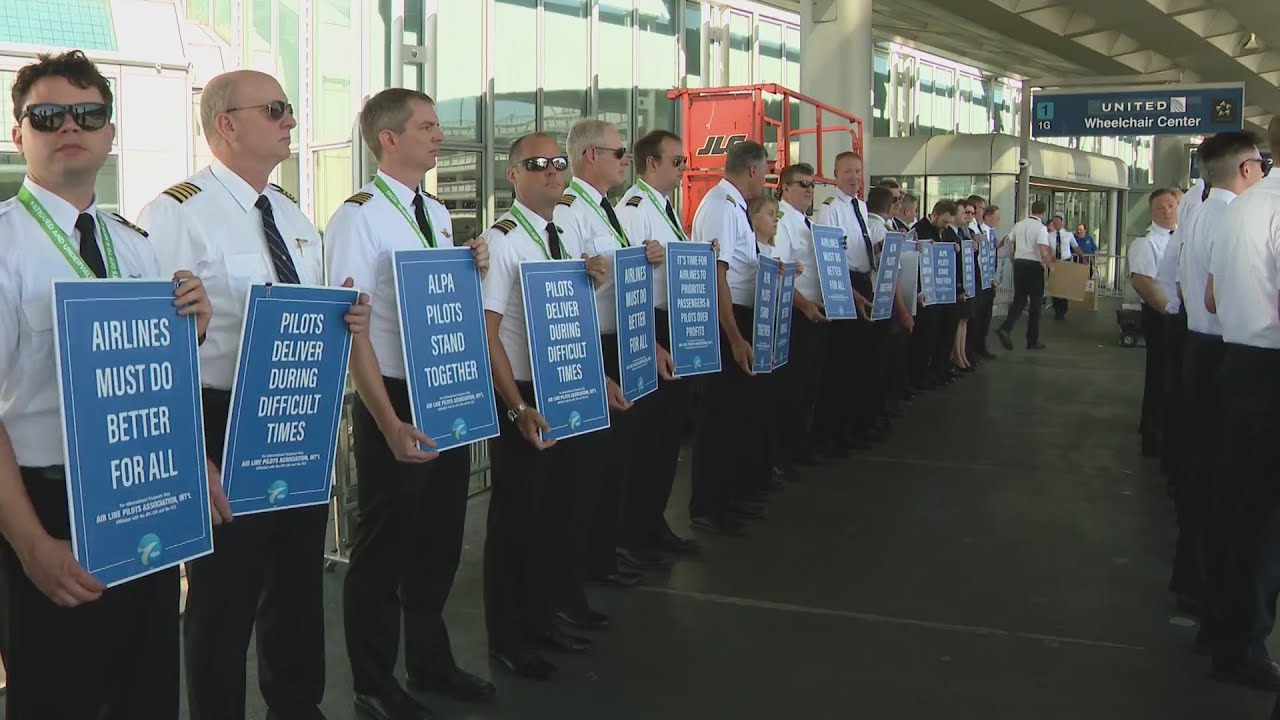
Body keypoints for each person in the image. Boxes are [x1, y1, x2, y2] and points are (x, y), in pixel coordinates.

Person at [139, 69, 371, 720]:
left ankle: (297, 705)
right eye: (275, 109)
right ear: (226, 124)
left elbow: (308, 309)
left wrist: (343, 315)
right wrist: (190, 448)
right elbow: (158, 340)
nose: (290, 120)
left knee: (297, 579)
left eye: (288, 108)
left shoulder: (292, 215)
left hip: (295, 411)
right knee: (223, 596)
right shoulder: (177, 213)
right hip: (220, 414)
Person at [0, 49, 212, 720]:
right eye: (47, 116)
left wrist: (191, 330)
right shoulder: (5, 248)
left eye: (88, 114)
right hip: (48, 505)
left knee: (147, 691)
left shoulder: (134, 244)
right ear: (18, 135)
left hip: (144, 493)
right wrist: (32, 545)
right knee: (57, 697)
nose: (70, 125)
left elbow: (150, 380)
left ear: (110, 134)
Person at [323, 88, 495, 720]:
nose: (439, 135)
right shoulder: (359, 217)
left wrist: (470, 265)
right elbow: (352, 327)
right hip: (394, 394)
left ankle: (429, 659)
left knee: (440, 539)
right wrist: (388, 420)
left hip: (443, 386)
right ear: (389, 139)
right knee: (385, 547)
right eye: (427, 126)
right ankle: (374, 682)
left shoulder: (436, 214)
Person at [480, 132, 608, 680]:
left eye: (558, 162)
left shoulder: (564, 233)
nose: (553, 171)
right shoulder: (503, 241)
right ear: (514, 175)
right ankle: (508, 638)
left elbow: (571, 322)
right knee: (517, 520)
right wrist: (515, 408)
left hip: (567, 387)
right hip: (525, 396)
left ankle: (544, 616)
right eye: (538, 164)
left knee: (560, 512)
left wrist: (597, 378)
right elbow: (488, 334)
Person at [554, 118, 664, 623]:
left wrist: (646, 258)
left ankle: (603, 554)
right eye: (619, 153)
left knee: (615, 460)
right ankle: (579, 570)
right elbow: (570, 287)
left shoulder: (606, 209)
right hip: (591, 343)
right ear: (589, 156)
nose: (626, 161)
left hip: (624, 337)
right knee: (588, 469)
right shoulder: (570, 211)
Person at [1173, 131, 1266, 652]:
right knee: (1224, 480)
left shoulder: (1200, 211)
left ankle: (1193, 576)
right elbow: (1214, 296)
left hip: (1199, 345)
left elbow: (1194, 289)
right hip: (1225, 350)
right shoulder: (1237, 214)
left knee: (1202, 473)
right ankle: (1207, 585)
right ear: (1247, 168)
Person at [1202, 120, 1280, 691]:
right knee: (1268, 522)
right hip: (1272, 370)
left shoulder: (1239, 207)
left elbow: (1209, 295)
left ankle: (1221, 630)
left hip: (1237, 363)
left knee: (1236, 507)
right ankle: (1245, 645)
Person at [614, 129, 701, 561]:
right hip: (649, 325)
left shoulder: (665, 208)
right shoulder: (634, 210)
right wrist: (649, 340)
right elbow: (628, 283)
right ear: (652, 163)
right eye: (676, 161)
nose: (683, 168)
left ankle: (653, 522)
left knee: (666, 438)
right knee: (646, 439)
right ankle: (634, 532)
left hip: (673, 323)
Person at [688, 140, 771, 536]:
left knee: (735, 416)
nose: (766, 178)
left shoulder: (735, 206)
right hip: (727, 319)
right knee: (718, 418)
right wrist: (734, 336)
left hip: (739, 315)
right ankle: (708, 504)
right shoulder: (721, 207)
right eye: (765, 171)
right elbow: (715, 275)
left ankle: (728, 495)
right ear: (752, 170)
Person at [814, 152, 881, 454]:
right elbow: (830, 258)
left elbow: (857, 248)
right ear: (835, 175)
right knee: (842, 362)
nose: (854, 177)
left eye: (858, 171)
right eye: (848, 172)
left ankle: (856, 423)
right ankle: (834, 431)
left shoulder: (861, 207)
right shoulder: (830, 209)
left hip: (863, 279)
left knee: (861, 360)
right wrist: (851, 293)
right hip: (844, 285)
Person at [774, 163, 829, 468]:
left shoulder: (808, 222)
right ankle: (785, 454)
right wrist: (805, 305)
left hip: (817, 311)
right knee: (793, 388)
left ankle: (799, 445)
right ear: (785, 187)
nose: (809, 190)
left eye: (812, 185)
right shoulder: (782, 221)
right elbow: (778, 272)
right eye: (802, 184)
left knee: (809, 385)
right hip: (796, 313)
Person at [1125, 189, 1178, 459]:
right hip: (1161, 315)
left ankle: (1165, 431)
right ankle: (1153, 436)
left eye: (1171, 205)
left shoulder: (1181, 237)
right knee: (1160, 375)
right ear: (1151, 212)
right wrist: (1168, 311)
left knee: (1172, 376)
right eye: (1160, 208)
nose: (1166, 211)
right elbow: (1142, 282)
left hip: (1176, 315)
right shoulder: (1146, 243)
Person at [909, 200, 960, 388]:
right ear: (935, 215)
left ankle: (940, 370)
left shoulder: (948, 232)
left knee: (945, 334)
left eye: (949, 223)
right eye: (944, 222)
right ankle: (920, 376)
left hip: (945, 293)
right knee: (926, 338)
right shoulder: (919, 230)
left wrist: (957, 248)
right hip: (927, 293)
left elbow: (956, 251)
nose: (946, 226)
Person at [995, 200, 1052, 352]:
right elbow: (1043, 249)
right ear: (1043, 212)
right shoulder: (1041, 228)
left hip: (1019, 264)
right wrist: (1051, 267)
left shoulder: (1019, 225)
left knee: (1019, 300)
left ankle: (1006, 327)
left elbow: (1008, 241)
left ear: (1032, 210)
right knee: (1035, 304)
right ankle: (1032, 340)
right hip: (1034, 266)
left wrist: (1012, 257)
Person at [968, 198, 998, 362]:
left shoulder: (983, 229)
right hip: (976, 278)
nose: (982, 212)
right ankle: (971, 351)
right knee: (975, 317)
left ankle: (980, 346)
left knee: (985, 316)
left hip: (986, 276)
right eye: (981, 208)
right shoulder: (972, 228)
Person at [1046, 214, 1079, 321]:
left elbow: (1075, 247)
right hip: (1054, 263)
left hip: (1066, 261)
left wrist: (1083, 258)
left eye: (1058, 222)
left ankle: (1063, 310)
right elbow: (1046, 248)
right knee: (1055, 288)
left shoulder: (1068, 234)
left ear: (1062, 222)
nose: (1056, 224)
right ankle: (1057, 310)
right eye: (1054, 223)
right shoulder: (1049, 235)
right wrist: (1050, 257)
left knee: (1064, 288)